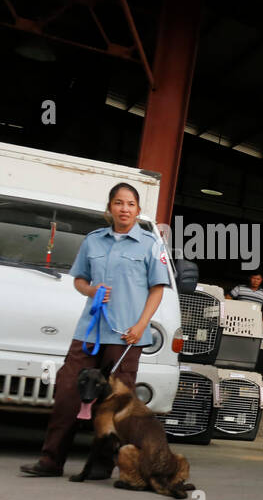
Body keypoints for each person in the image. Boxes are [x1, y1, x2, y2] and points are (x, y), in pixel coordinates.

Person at [20, 182, 169, 477]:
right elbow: (79, 280)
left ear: (138, 210)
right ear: (109, 208)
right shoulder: (93, 240)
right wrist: (92, 289)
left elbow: (157, 289)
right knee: (66, 393)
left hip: (125, 337)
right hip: (89, 333)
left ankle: (101, 466)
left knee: (114, 405)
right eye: (118, 203)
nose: (124, 209)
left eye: (130, 204)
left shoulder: (151, 245)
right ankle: (51, 461)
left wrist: (141, 326)